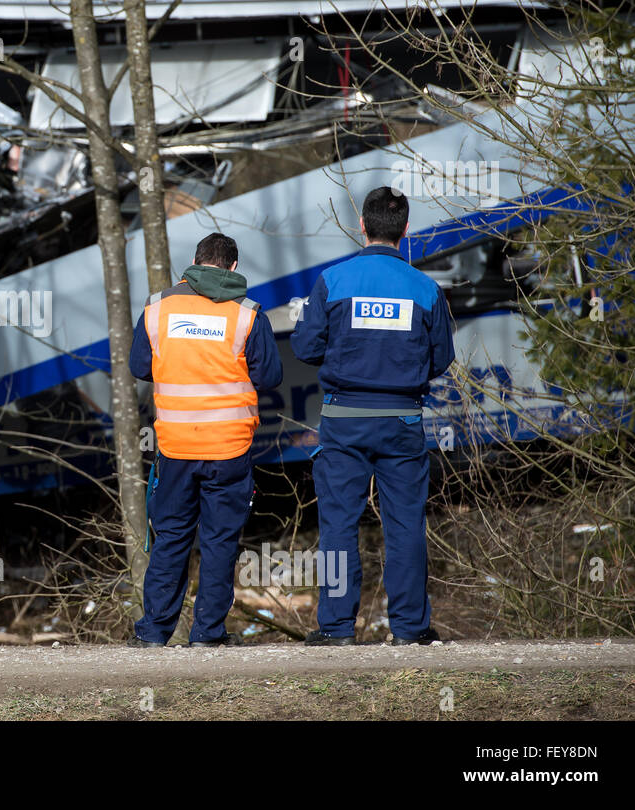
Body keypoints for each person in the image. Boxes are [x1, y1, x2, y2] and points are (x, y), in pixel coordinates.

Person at [290, 186, 456, 646]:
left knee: (339, 524)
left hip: (344, 420)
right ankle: (410, 629)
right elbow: (441, 358)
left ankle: (338, 629)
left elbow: (305, 347)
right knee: (405, 525)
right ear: (404, 230)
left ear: (362, 226)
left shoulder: (334, 280)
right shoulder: (425, 288)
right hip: (403, 420)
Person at [127, 232, 283, 647]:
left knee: (172, 538)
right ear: (233, 267)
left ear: (195, 263)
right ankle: (208, 634)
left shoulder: (158, 307)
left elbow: (140, 365)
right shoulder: (248, 314)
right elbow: (270, 377)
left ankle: (153, 633)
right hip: (229, 448)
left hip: (175, 448)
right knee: (218, 542)